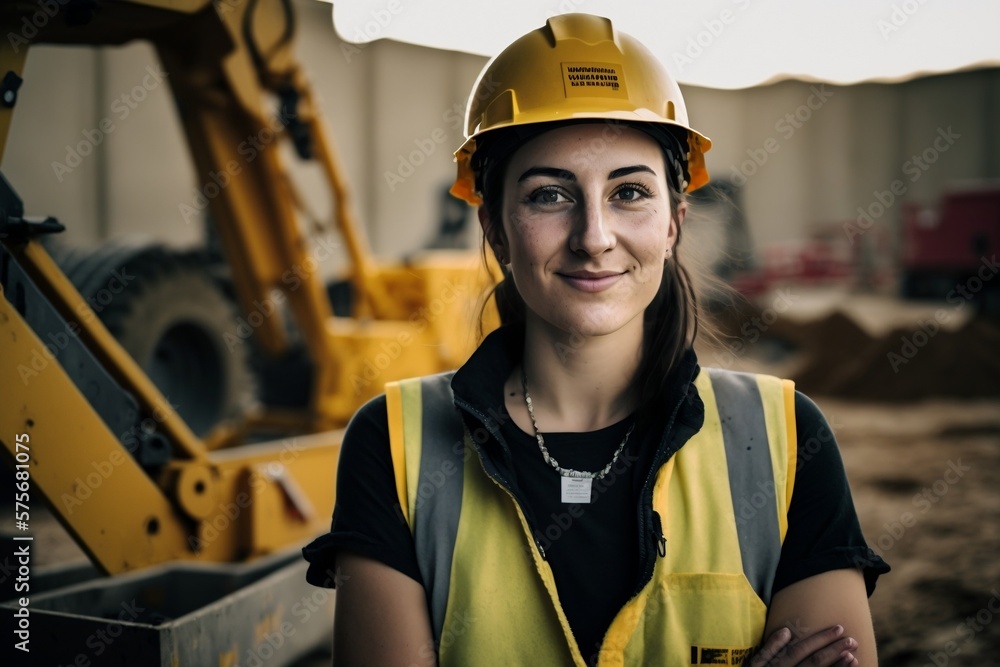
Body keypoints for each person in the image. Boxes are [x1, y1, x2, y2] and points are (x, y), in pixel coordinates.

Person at [303, 13, 889, 666]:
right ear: (495, 228)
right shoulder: (395, 442)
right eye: (550, 195)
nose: (594, 236)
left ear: (674, 223)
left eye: (630, 192)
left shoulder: (783, 440)